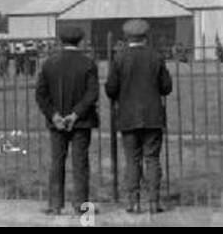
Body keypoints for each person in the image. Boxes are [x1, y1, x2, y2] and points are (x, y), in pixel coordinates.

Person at [105, 18, 174, 213]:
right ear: (146, 36)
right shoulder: (156, 56)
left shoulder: (119, 58)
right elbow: (166, 87)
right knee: (152, 158)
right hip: (152, 115)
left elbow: (111, 89)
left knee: (132, 160)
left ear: (127, 37)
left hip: (128, 115)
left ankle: (133, 202)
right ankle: (154, 201)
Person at [35, 25, 100, 215]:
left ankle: (55, 204)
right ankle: (80, 204)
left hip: (56, 123)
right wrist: (76, 114)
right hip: (81, 121)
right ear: (80, 41)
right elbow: (92, 93)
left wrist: (54, 115)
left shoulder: (49, 63)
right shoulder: (88, 63)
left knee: (57, 161)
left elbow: (41, 94)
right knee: (80, 162)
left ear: (60, 41)